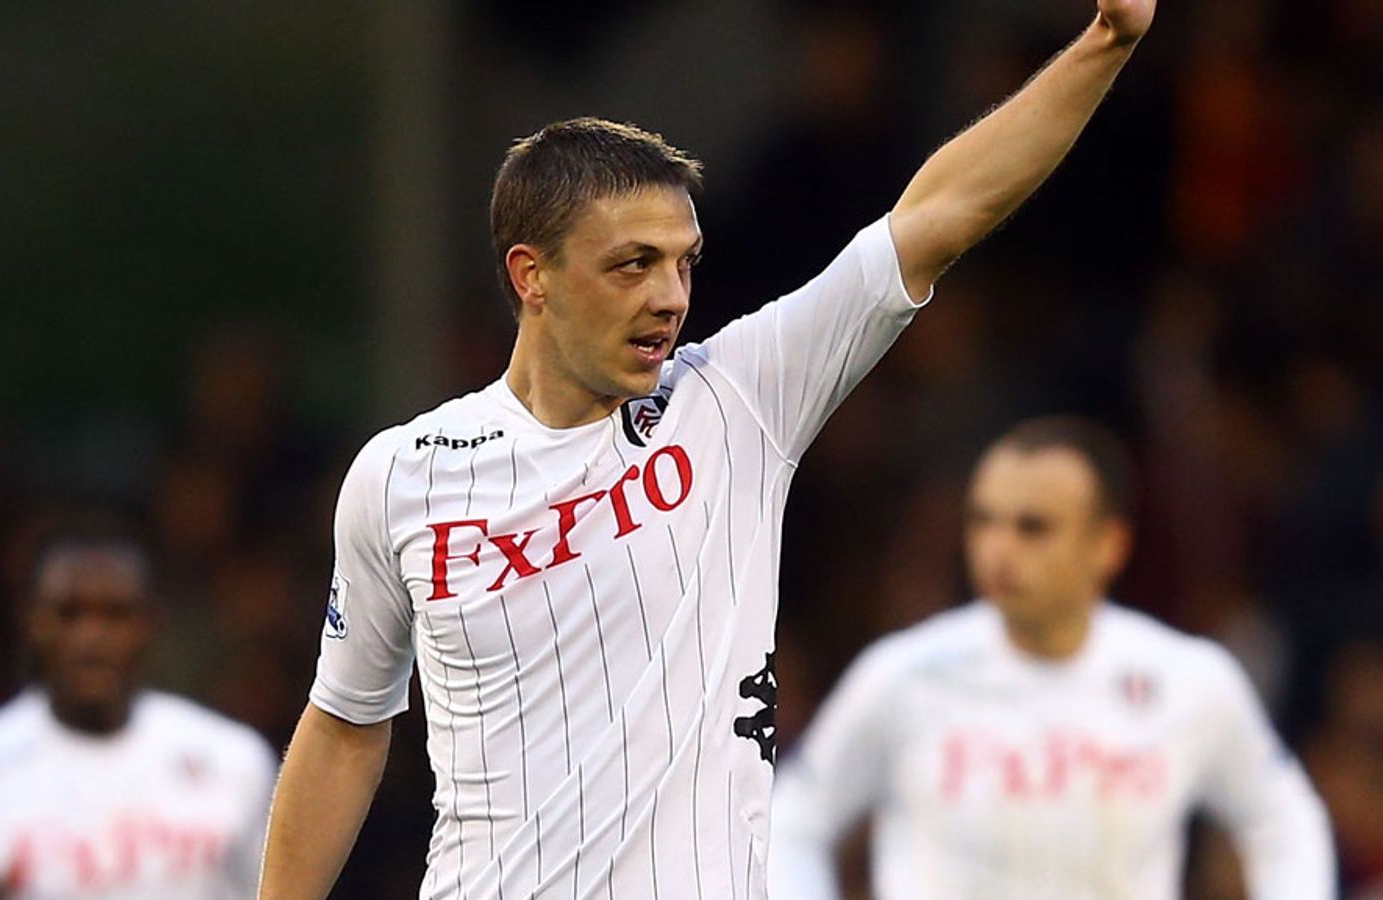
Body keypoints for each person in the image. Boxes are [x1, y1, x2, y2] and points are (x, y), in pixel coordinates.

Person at [260, 2, 1160, 897]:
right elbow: (345, 725)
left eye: (684, 262)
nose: (670, 296)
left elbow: (941, 214)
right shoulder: (404, 473)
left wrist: (1105, 42)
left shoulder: (738, 397)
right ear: (530, 275)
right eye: (632, 264)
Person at [768, 417, 1336, 899]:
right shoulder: (903, 675)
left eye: (1032, 527)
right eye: (983, 520)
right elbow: (794, 817)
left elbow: (1283, 820)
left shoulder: (1187, 680)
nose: (998, 549)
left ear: (1108, 544)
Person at [0, 517, 277, 899]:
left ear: (151, 622)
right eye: (68, 613)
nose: (92, 637)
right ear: (31, 620)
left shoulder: (236, 763)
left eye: (116, 613)